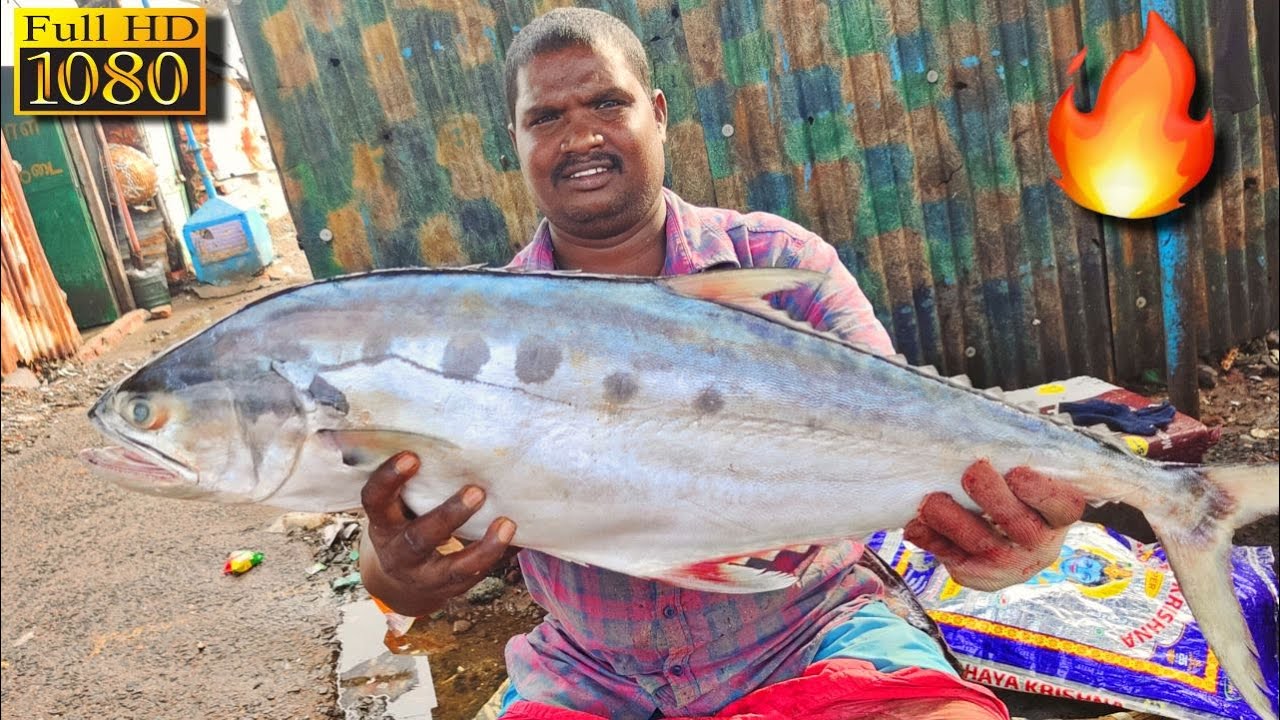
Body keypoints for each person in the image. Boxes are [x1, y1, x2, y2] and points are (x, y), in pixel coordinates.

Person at [359, 8, 1086, 719]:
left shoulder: (782, 265)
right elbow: (396, 571)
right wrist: (399, 570)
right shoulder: (468, 333)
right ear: (514, 140)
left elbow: (910, 439)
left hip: (810, 633)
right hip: (590, 672)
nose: (580, 135)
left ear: (659, 111)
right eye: (545, 117)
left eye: (608, 102)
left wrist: (1005, 532)